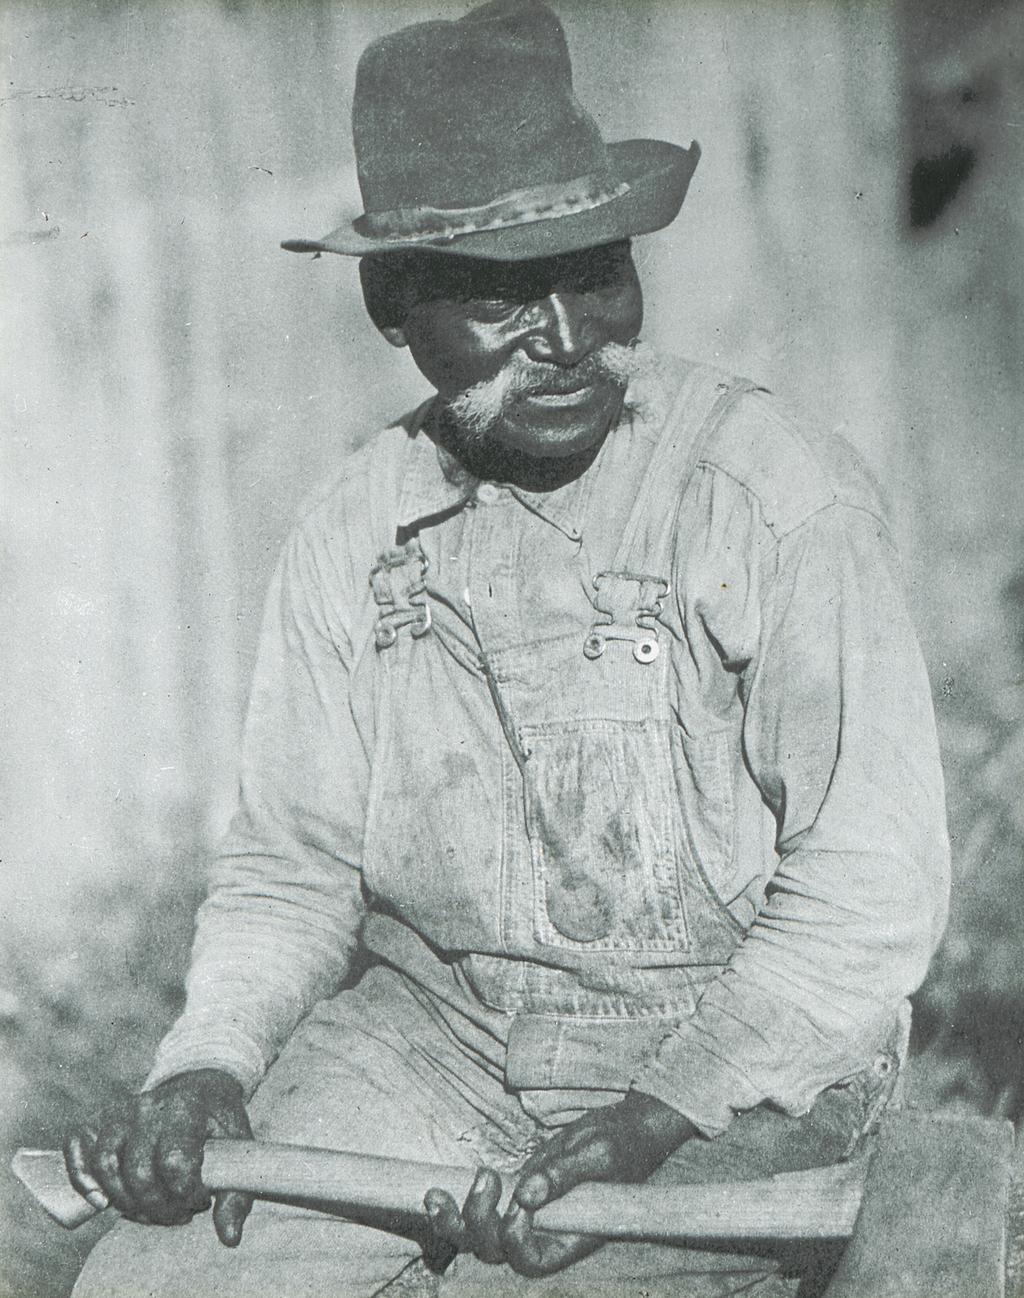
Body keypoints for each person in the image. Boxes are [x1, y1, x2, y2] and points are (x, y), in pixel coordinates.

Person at [66, 2, 951, 1295]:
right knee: (139, 1287)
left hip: (738, 1066)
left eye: (594, 269)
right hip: (438, 1048)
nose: (569, 336)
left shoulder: (767, 501)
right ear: (394, 302)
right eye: (497, 291)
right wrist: (207, 1065)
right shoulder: (354, 530)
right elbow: (293, 866)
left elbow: (870, 888)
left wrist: (664, 1114)